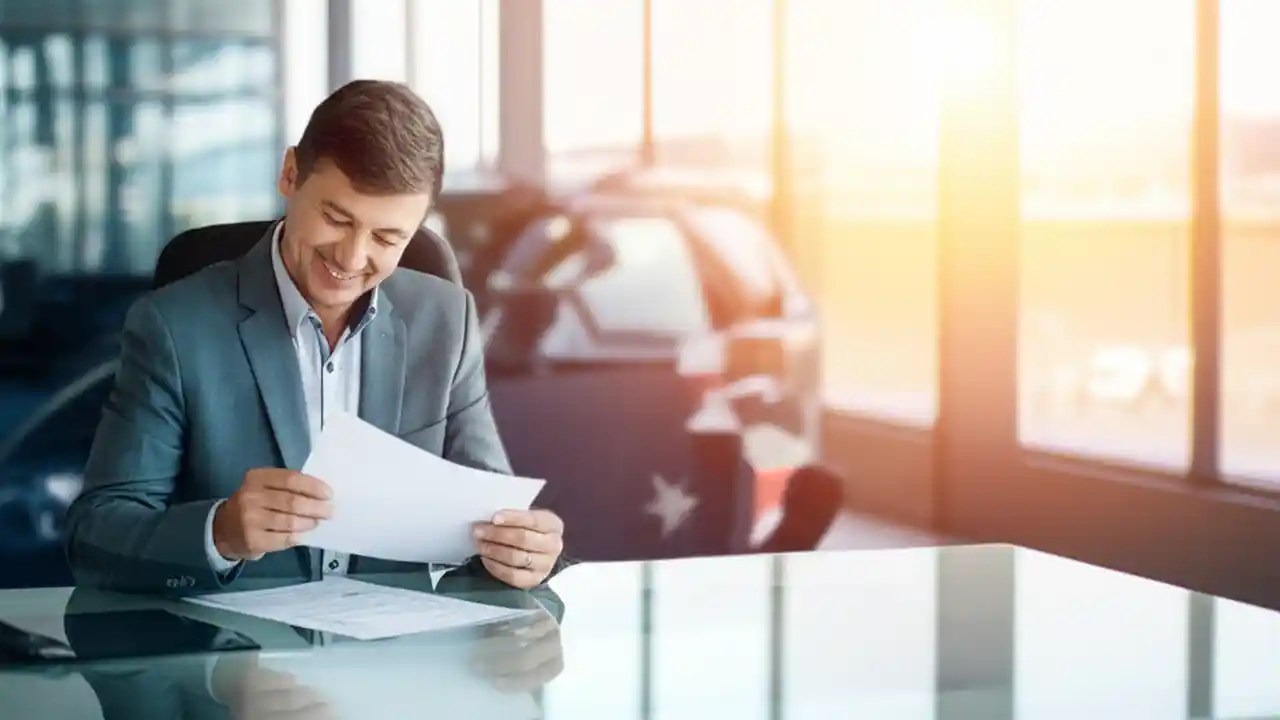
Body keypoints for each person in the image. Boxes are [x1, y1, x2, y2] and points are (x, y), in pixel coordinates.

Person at [64, 80, 566, 594]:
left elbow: (494, 522)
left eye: (388, 237)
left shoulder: (445, 320)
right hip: (230, 661)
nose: (350, 259)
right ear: (289, 175)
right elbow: (95, 538)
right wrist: (220, 533)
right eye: (335, 218)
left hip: (397, 657)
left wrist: (523, 553)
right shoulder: (173, 326)